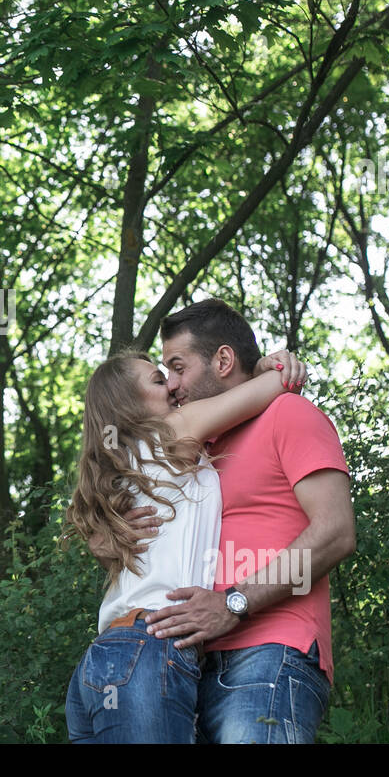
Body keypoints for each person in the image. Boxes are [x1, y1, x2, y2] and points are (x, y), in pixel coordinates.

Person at [137, 298, 355, 743]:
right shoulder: (195, 447)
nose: (171, 385)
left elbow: (335, 533)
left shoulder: (288, 413)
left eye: (178, 367)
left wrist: (233, 603)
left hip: (271, 651)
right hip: (185, 663)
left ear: (222, 359)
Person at [62, 347, 307, 743]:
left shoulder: (119, 465)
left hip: (102, 663)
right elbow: (280, 384)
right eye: (159, 380)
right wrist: (266, 367)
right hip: (148, 649)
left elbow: (101, 542)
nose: (172, 387)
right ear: (128, 402)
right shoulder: (174, 432)